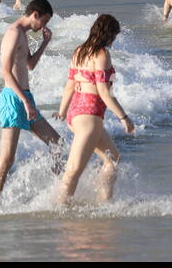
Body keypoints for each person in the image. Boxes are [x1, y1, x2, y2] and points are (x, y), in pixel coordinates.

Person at [56, 14, 135, 203]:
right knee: (73, 171)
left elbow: (69, 85)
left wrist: (62, 111)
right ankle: (59, 210)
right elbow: (103, 92)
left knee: (113, 159)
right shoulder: (101, 54)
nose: (113, 40)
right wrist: (124, 117)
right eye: (114, 36)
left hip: (76, 112)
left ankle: (104, 202)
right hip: (89, 115)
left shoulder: (79, 51)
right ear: (108, 34)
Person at [0, 0, 61, 201]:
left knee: (57, 143)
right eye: (44, 22)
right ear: (35, 15)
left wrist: (45, 43)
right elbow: (5, 72)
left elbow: (29, 65)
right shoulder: (13, 34)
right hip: (13, 98)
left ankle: (55, 194)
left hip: (24, 97)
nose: (44, 26)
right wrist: (25, 102)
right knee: (6, 159)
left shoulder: (24, 34)